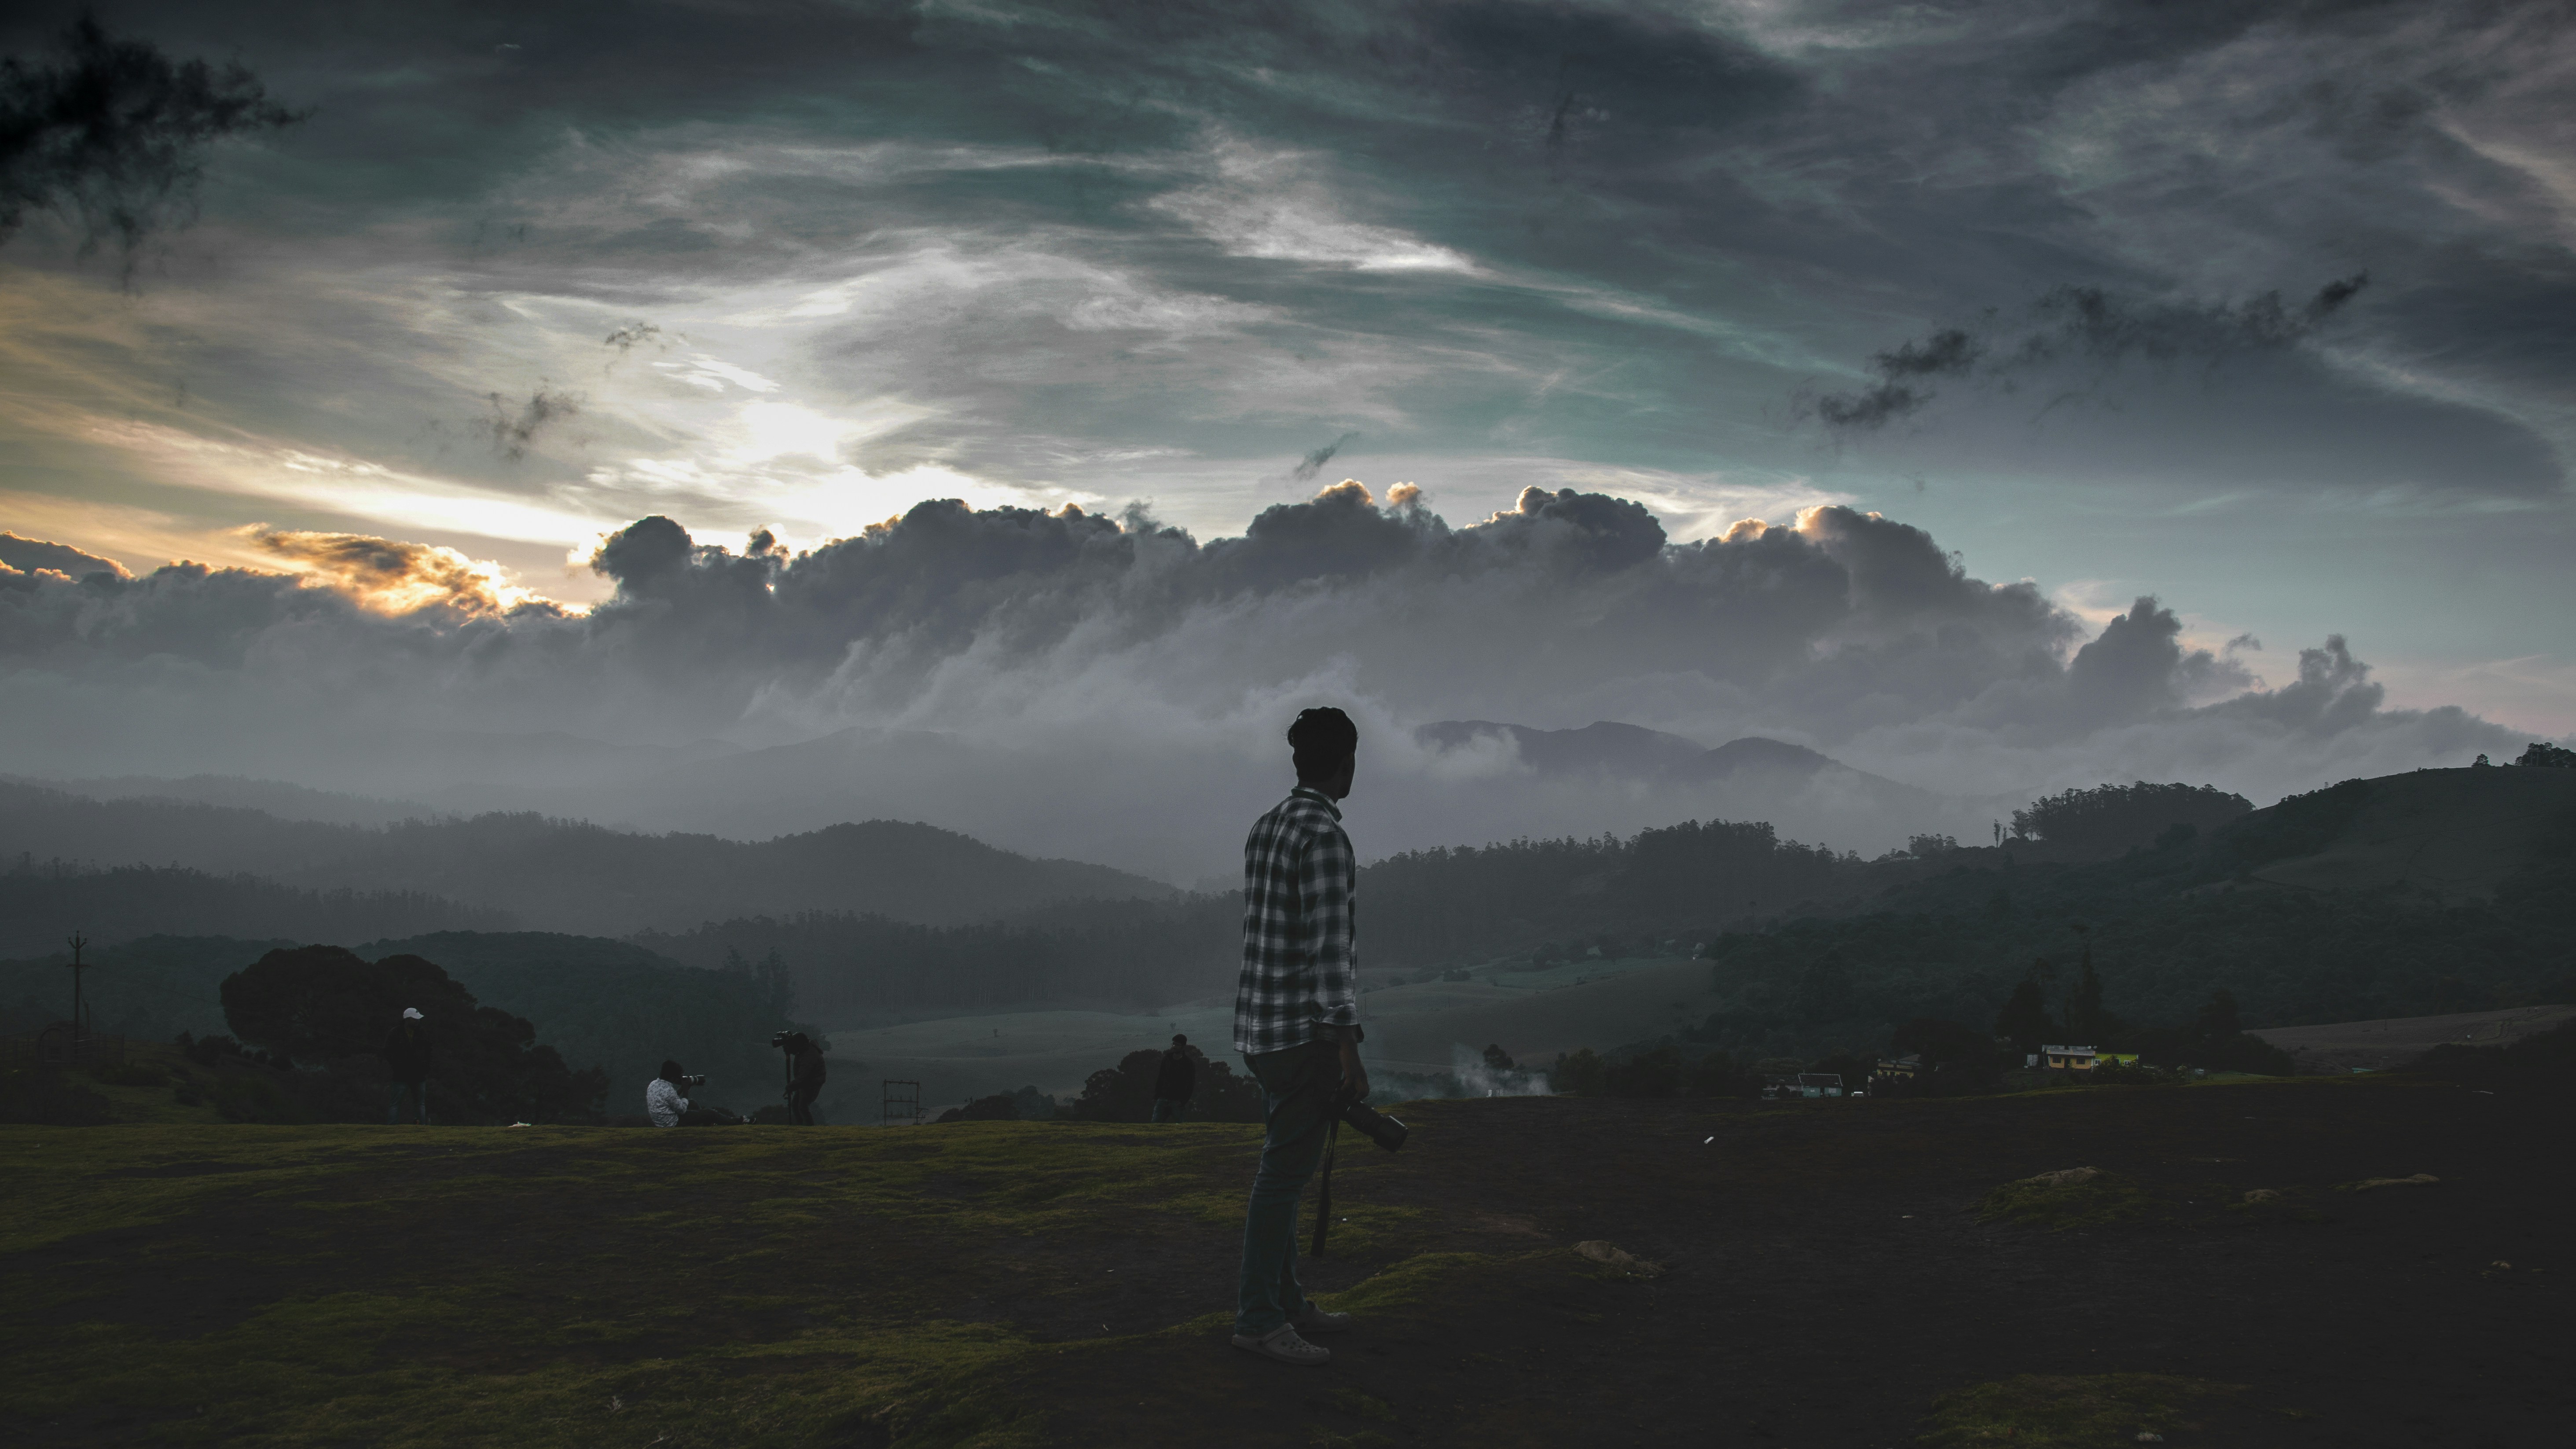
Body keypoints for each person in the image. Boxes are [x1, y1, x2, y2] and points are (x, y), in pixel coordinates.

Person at [1229, 706, 1366, 1366]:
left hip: (1258, 1031)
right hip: (1300, 1038)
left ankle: (1285, 1301)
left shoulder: (1267, 826)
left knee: (1280, 1170)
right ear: (1347, 764)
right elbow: (1328, 951)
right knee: (1281, 1181)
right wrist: (1348, 1047)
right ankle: (1258, 1318)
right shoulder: (1325, 838)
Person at [383, 1007, 431, 1124]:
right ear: (407, 1019)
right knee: (398, 1103)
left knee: (419, 1103)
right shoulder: (395, 1033)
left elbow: (428, 1051)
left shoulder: (421, 1033)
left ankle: (421, 1125)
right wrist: (397, 1066)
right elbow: (388, 1052)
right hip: (402, 1074)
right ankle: (392, 1126)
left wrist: (425, 1067)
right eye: (415, 1019)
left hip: (418, 1074)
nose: (417, 1022)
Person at [783, 1032, 827, 1125]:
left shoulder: (810, 1056)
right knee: (796, 1105)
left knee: (803, 1107)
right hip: (808, 1083)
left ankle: (808, 1129)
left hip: (812, 1084)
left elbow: (803, 1076)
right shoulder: (806, 1050)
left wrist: (790, 1087)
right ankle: (801, 1127)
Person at [1151, 1033, 1196, 1122]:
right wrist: (1157, 1096)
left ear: (1183, 1046)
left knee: (1179, 1126)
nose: (1174, 1046)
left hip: (1177, 1100)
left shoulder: (1188, 1063)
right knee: (1155, 1124)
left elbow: (1191, 1084)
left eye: (1177, 1045)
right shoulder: (1167, 1059)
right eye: (1174, 1044)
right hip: (1163, 1098)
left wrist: (1183, 1101)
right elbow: (1161, 1077)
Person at [646, 1060, 694, 1127]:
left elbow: (670, 1099)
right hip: (672, 1123)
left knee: (692, 1103)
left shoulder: (653, 1084)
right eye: (680, 1077)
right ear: (673, 1078)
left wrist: (683, 1088)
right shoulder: (669, 1090)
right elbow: (682, 1110)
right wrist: (686, 1090)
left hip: (660, 1121)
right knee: (709, 1113)